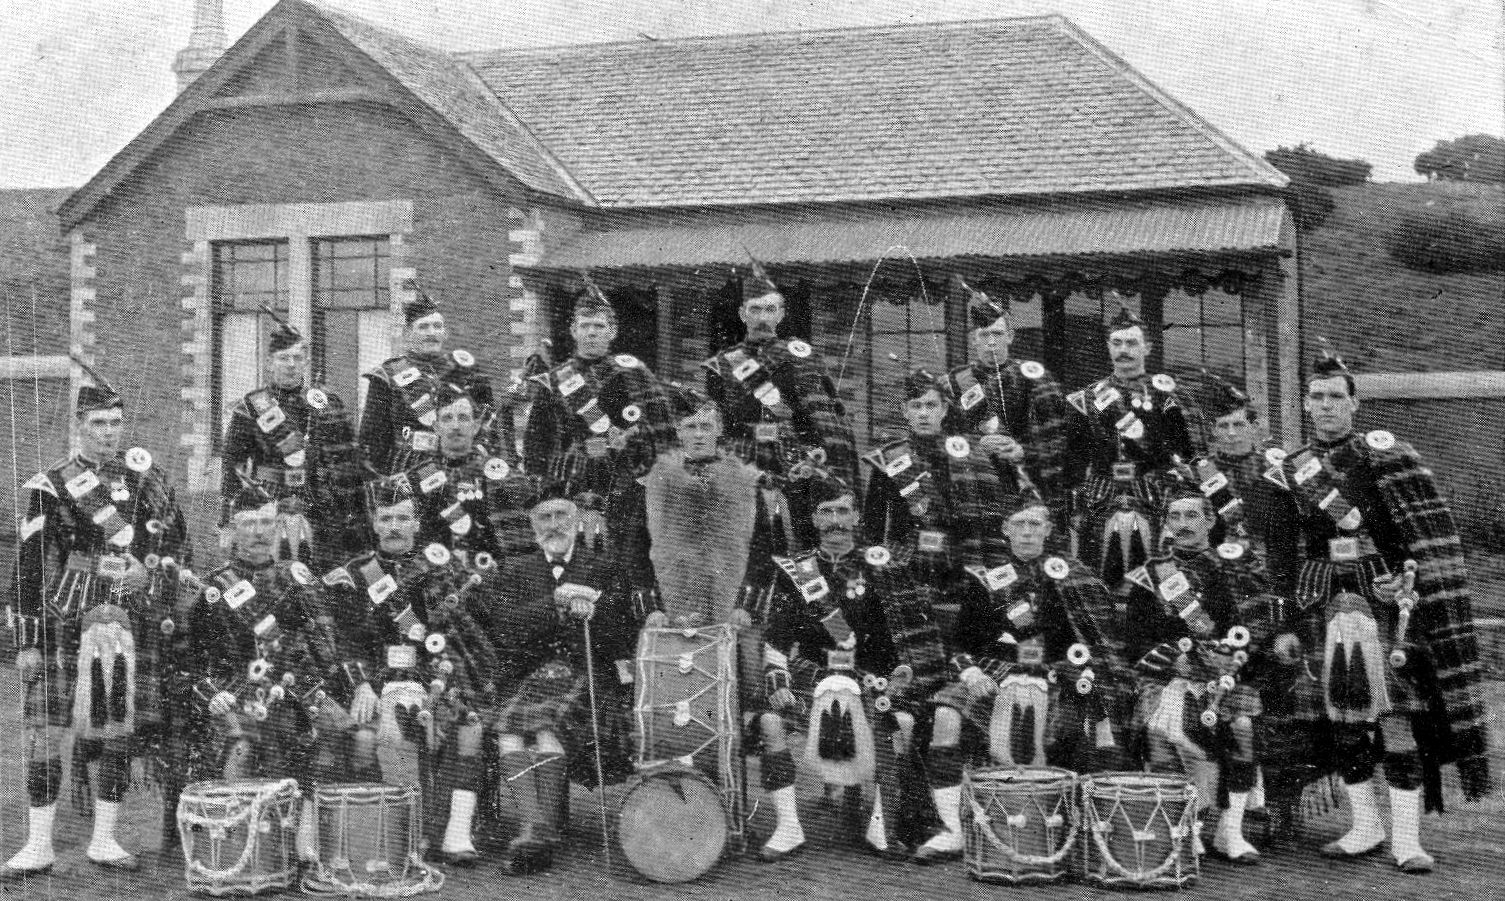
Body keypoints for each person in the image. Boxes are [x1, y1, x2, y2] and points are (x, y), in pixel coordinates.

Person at [1262, 347, 1492, 873]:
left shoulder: (1386, 456)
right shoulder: (1289, 471)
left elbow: (1423, 537)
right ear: (1304, 404)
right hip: (1321, 600)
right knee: (1344, 722)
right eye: (1316, 397)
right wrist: (1285, 623)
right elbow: (1278, 557)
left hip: (1384, 605)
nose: (1325, 406)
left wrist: (1404, 577)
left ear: (1355, 403)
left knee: (1397, 722)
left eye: (1335, 397)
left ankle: (1407, 840)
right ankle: (1365, 825)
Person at [4, 371, 192, 877]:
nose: (109, 432)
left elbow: (178, 547)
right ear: (80, 425)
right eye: (98, 423)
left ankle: (104, 839)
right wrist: (27, 640)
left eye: (115, 422)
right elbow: (29, 564)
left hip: (123, 621)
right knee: (44, 731)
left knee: (115, 732)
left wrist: (147, 568)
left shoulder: (145, 478)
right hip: (64, 620)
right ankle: (38, 842)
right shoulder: (52, 484)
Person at [756, 475, 950, 863]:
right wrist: (777, 683)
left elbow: (901, 634)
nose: (834, 521)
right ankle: (788, 827)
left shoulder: (882, 566)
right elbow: (776, 639)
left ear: (857, 516)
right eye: (825, 512)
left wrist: (900, 671)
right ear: (812, 518)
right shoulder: (796, 571)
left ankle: (881, 821)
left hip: (869, 682)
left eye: (842, 510)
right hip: (812, 678)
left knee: (904, 724)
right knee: (770, 723)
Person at [319, 478, 500, 866]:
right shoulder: (352, 574)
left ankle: (456, 833)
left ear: (418, 524)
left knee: (469, 729)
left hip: (435, 674)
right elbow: (345, 640)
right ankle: (409, 834)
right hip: (379, 680)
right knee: (395, 729)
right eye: (387, 518)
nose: (395, 526)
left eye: (404, 518)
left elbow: (461, 631)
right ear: (375, 524)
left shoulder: (442, 566)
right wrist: (361, 684)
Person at [472, 487, 636, 875]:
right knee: (509, 736)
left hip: (588, 676)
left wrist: (593, 612)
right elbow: (506, 630)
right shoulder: (515, 570)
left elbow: (622, 637)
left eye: (561, 514)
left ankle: (535, 833)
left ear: (578, 520)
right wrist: (556, 603)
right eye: (544, 518)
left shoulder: (605, 566)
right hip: (531, 677)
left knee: (546, 734)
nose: (554, 525)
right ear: (532, 528)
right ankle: (537, 828)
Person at [945, 494, 1130, 837]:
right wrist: (971, 674)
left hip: (1058, 672)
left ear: (1047, 530)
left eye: (1034, 524)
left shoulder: (1073, 576)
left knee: (1096, 717)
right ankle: (953, 830)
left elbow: (1095, 638)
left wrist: (1085, 671)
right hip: (995, 672)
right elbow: (959, 642)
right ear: (1005, 529)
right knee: (945, 716)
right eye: (1019, 524)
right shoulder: (986, 579)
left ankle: (1085, 822)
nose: (1027, 532)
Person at [1119, 484, 1268, 863]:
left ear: (1210, 520)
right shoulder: (1148, 576)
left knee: (1243, 729)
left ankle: (1229, 832)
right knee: (1162, 727)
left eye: (1191, 516)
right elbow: (1133, 642)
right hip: (1167, 677)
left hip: (1224, 677)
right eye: (1174, 516)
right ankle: (1186, 829)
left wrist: (1230, 659)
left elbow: (1252, 627)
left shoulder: (1235, 567)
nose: (1182, 524)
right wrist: (1174, 661)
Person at [188, 484, 337, 857]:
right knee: (241, 743)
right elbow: (193, 660)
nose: (259, 532)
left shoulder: (296, 578)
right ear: (231, 532)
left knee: (328, 732)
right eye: (249, 523)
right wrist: (211, 695)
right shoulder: (215, 587)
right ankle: (237, 848)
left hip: (293, 687)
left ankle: (305, 837)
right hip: (236, 692)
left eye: (268, 522)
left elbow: (325, 646)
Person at [523, 284, 676, 582]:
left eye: (599, 326)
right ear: (573, 330)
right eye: (585, 326)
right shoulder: (552, 382)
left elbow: (663, 434)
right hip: (569, 487)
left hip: (626, 485)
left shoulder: (635, 373)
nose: (592, 332)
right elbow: (535, 449)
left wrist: (636, 446)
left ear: (612, 331)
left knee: (629, 566)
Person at [703, 258, 859, 548]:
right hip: (747, 462)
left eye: (770, 309)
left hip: (797, 461)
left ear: (781, 314)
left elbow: (827, 419)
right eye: (755, 309)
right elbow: (717, 425)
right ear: (742, 314)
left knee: (804, 540)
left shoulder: (802, 357)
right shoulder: (722, 364)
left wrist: (816, 455)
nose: (762, 317)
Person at [1064, 304, 1204, 584]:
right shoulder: (1086, 399)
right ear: (1108, 347)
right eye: (1116, 343)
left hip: (1154, 492)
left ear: (1147, 348)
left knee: (1158, 575)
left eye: (1131, 342)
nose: (1123, 350)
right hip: (1100, 493)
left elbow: (1192, 456)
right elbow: (1074, 459)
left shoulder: (1169, 396)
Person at [220, 312, 364, 567]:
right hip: (269, 501)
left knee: (323, 573)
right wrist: (228, 521)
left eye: (297, 358)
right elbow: (233, 466)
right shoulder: (250, 407)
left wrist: (354, 515)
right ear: (269, 362)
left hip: (321, 503)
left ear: (306, 361)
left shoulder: (328, 403)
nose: (291, 364)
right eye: (283, 358)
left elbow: (349, 462)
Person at [863, 367, 1007, 581]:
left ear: (944, 410)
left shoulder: (970, 453)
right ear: (905, 411)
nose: (923, 413)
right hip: (909, 565)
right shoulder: (889, 458)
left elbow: (993, 518)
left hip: (964, 562)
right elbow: (873, 527)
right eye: (916, 406)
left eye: (931, 405)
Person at [943, 282, 1070, 512]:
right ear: (973, 338)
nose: (991, 342)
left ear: (1010, 336)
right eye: (984, 335)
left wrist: (1024, 451)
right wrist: (977, 445)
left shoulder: (1036, 377)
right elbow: (945, 439)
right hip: (980, 488)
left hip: (1033, 486)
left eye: (998, 334)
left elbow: (1060, 437)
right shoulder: (955, 382)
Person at [360, 292, 500, 476]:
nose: (431, 333)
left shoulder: (466, 370)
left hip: (464, 466)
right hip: (411, 468)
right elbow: (373, 436)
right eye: (423, 327)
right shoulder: (388, 375)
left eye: (437, 326)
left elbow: (488, 423)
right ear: (408, 333)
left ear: (445, 333)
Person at [413, 383, 535, 562]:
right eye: (447, 418)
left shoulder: (505, 475)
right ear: (436, 427)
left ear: (476, 426)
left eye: (463, 418)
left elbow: (520, 548)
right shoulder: (418, 476)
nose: (455, 426)